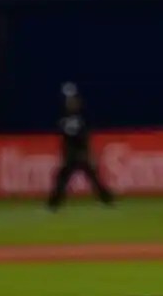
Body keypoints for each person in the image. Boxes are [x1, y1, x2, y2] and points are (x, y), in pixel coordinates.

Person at [46, 82, 115, 210]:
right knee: (62, 178)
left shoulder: (82, 116)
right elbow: (64, 138)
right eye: (68, 101)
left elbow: (86, 135)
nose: (70, 103)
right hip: (70, 153)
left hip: (81, 151)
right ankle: (54, 203)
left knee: (93, 177)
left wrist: (88, 152)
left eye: (72, 100)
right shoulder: (63, 117)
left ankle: (106, 199)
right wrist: (64, 154)